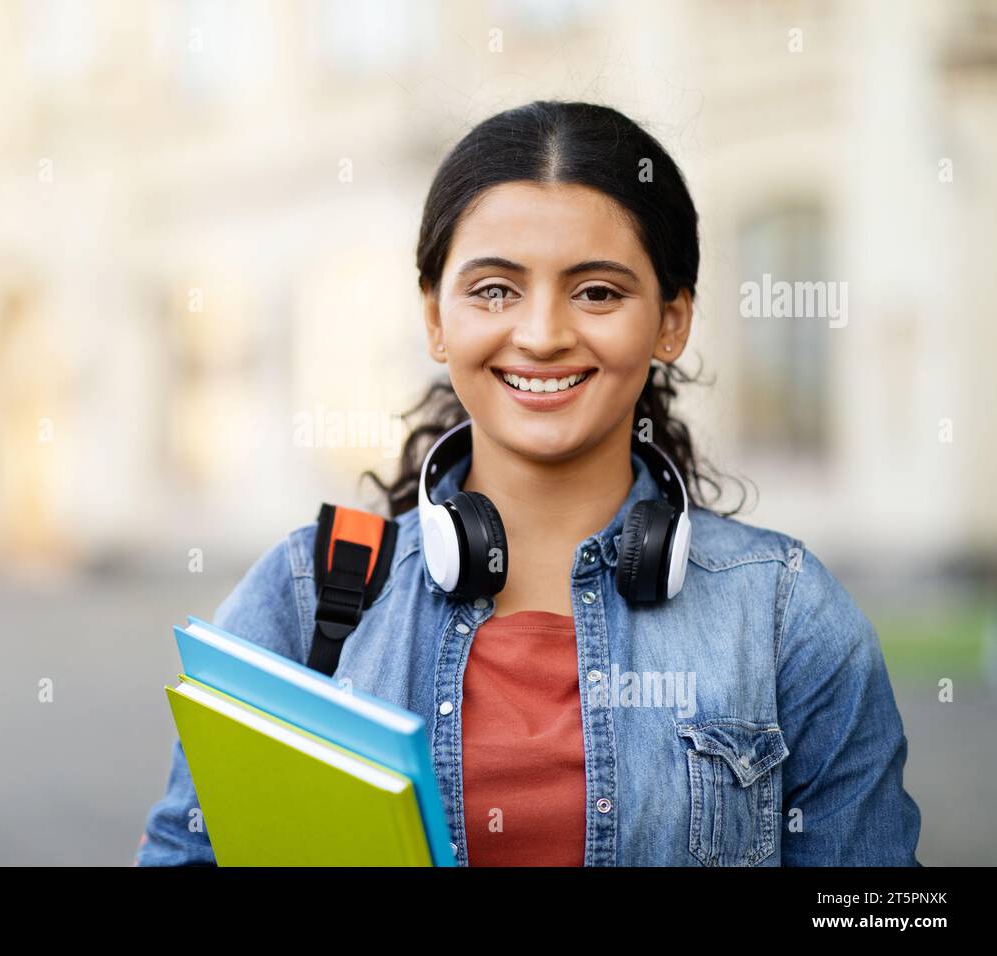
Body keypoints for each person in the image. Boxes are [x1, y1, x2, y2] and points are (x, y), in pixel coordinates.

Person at [135, 100, 922, 867]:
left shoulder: (787, 615)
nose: (542, 335)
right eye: (493, 290)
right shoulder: (304, 596)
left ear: (672, 321)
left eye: (598, 292)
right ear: (436, 319)